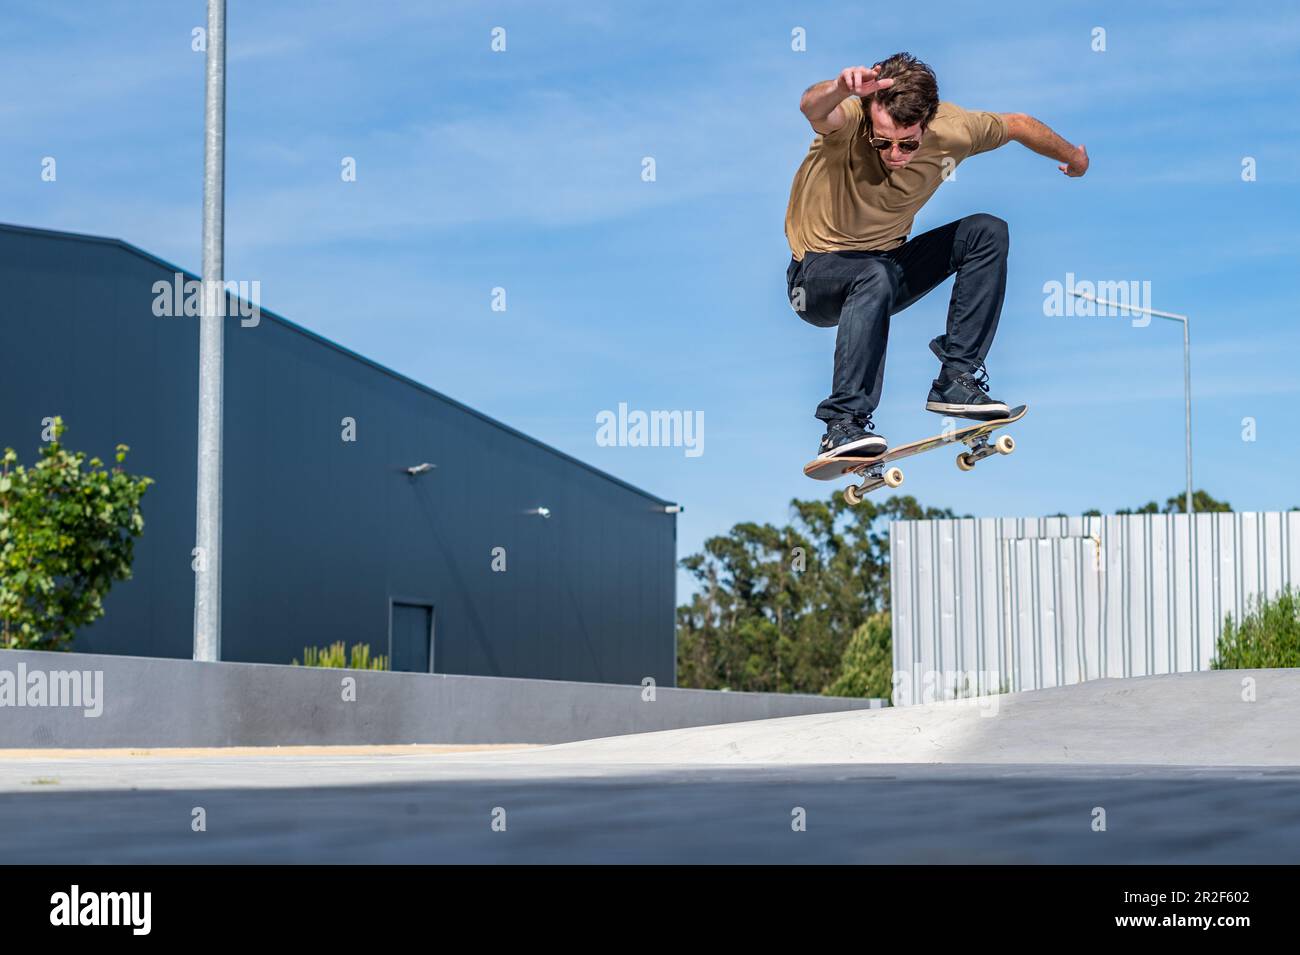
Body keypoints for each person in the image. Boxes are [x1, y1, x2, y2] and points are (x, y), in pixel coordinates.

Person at [785, 53, 1088, 459]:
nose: (894, 154)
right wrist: (840, 88)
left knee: (987, 230)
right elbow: (811, 106)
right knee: (873, 274)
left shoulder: (955, 130)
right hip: (816, 278)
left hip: (887, 270)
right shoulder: (851, 119)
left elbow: (1017, 124)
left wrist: (1074, 156)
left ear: (927, 124)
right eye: (883, 141)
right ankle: (843, 424)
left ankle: (956, 377)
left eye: (908, 144)